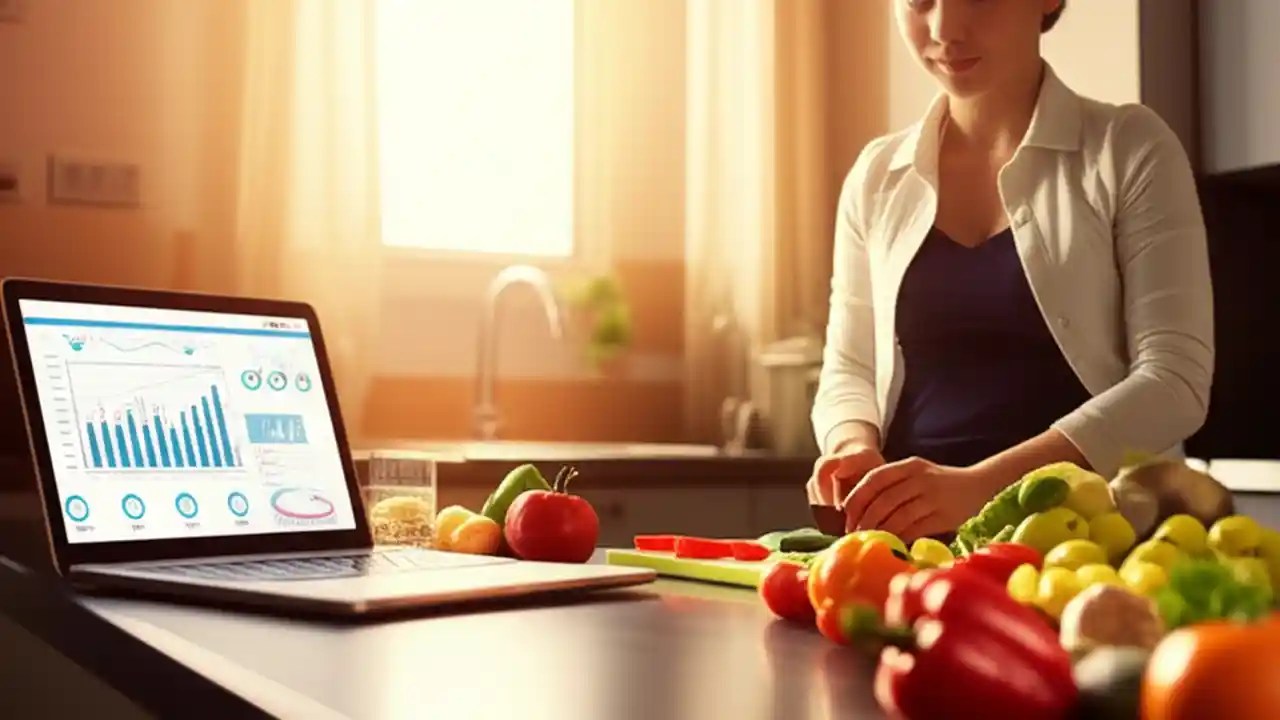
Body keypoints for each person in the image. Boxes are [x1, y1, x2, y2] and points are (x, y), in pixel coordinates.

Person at [806, 0, 1214, 542]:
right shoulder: (876, 176)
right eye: (919, 0)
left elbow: (1174, 381)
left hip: (1097, 550)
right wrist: (850, 446)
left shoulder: (1130, 147)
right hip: (914, 553)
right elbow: (850, 369)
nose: (945, 29)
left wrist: (982, 488)